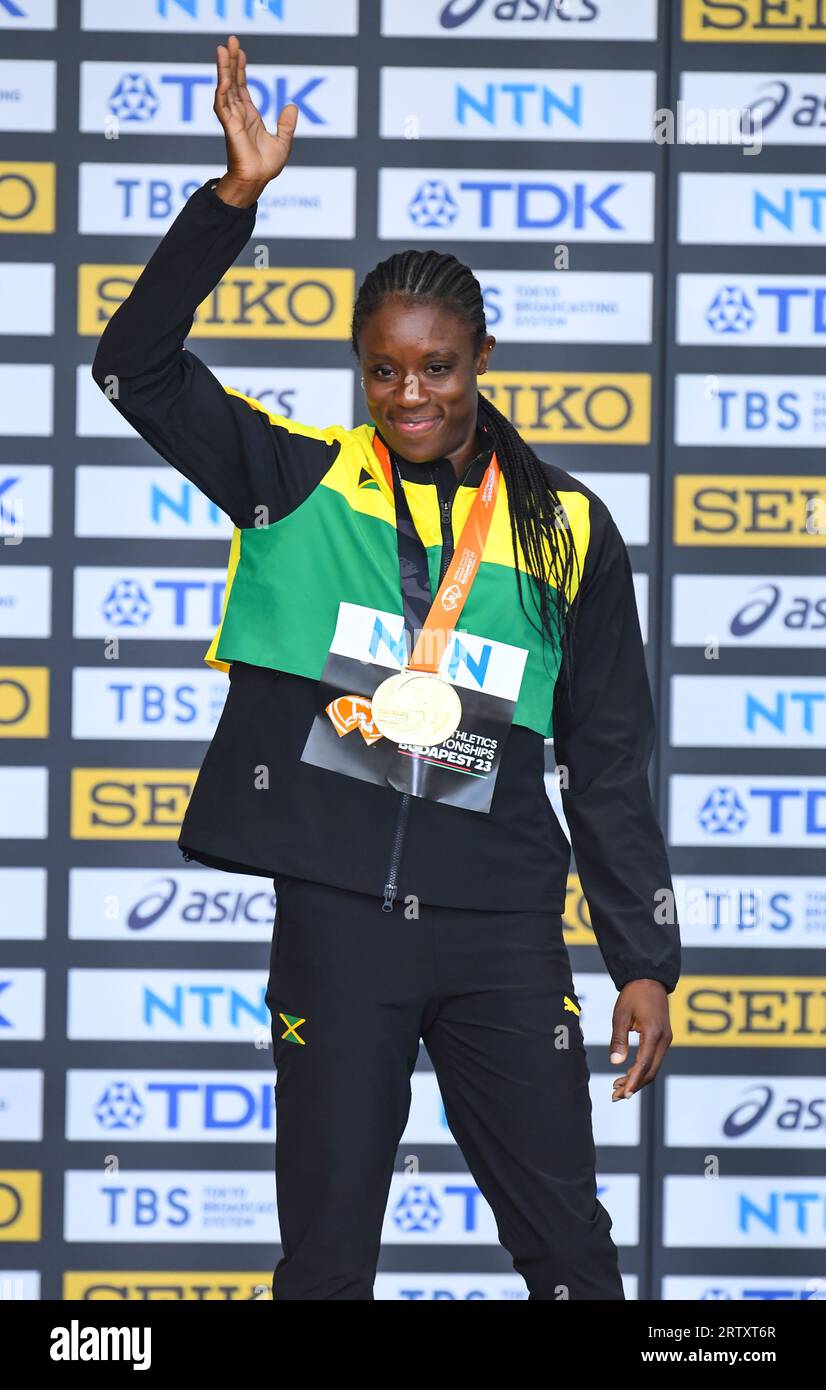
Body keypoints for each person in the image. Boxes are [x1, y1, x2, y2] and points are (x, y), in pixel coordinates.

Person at [91, 35, 681, 1301]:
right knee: (324, 1269)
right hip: (338, 930)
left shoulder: (562, 528)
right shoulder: (295, 480)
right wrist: (230, 201)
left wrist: (641, 956)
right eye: (383, 368)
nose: (408, 392)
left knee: (575, 1259)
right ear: (360, 365)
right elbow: (130, 367)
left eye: (436, 366)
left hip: (503, 937)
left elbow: (610, 756)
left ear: (481, 361)